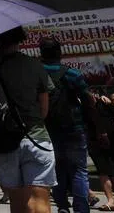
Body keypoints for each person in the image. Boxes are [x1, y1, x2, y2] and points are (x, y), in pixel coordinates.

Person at [0, 27, 55, 213]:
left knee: (17, 200)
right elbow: (44, 109)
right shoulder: (34, 65)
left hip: (0, 140)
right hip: (35, 136)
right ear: (20, 38)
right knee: (39, 198)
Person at [40, 37, 99, 213]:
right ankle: (81, 209)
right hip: (74, 129)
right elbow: (88, 101)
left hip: (49, 130)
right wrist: (96, 128)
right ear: (60, 53)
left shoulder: (37, 75)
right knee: (79, 171)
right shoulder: (72, 74)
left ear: (41, 54)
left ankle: (62, 207)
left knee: (57, 170)